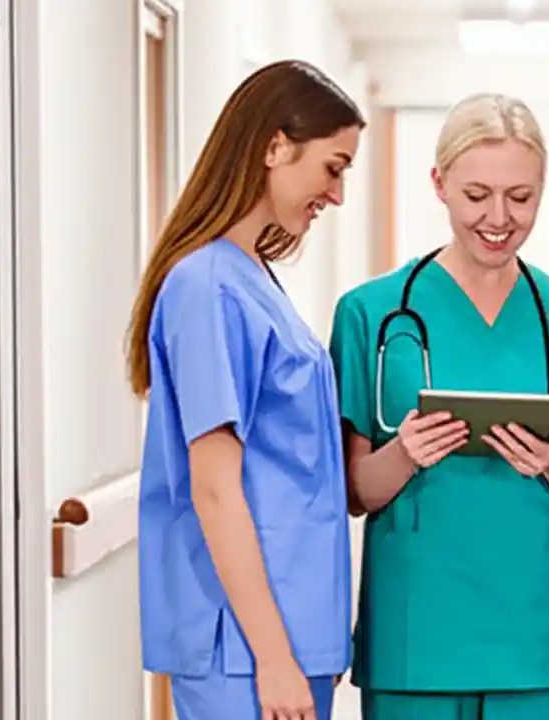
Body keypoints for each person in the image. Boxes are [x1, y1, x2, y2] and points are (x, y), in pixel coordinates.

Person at [328, 92, 549, 720]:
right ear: (439, 184)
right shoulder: (372, 315)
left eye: (520, 197)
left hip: (544, 641)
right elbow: (355, 491)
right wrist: (406, 454)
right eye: (477, 195)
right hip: (418, 636)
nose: (499, 217)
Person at [126, 60, 365, 720]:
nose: (338, 194)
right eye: (333, 167)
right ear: (274, 146)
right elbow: (213, 486)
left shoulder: (250, 274)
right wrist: (274, 658)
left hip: (286, 628)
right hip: (247, 646)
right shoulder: (205, 287)